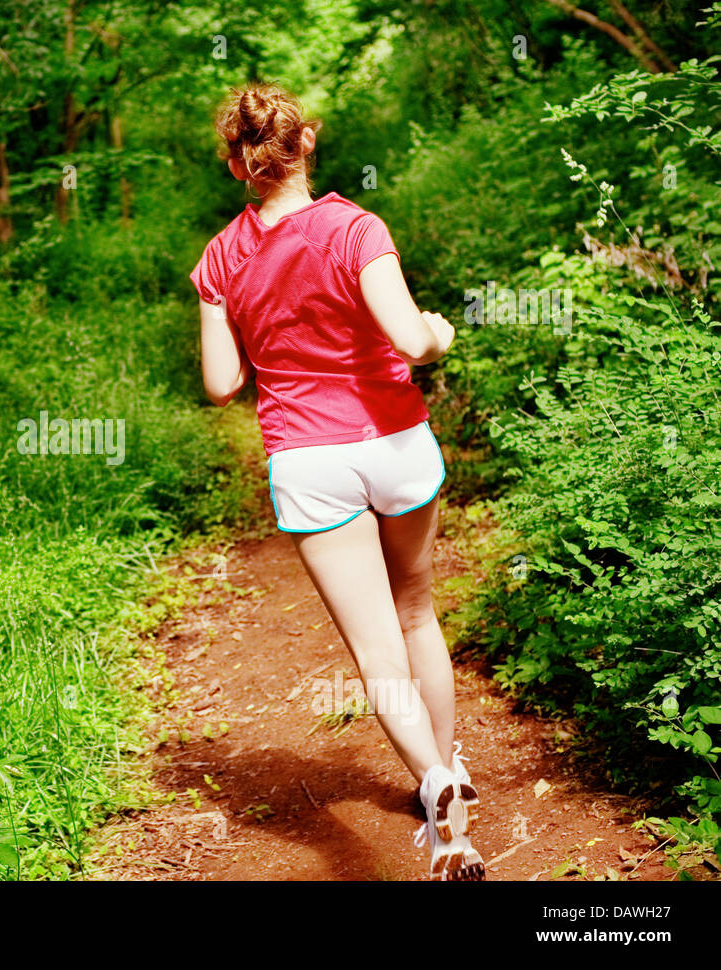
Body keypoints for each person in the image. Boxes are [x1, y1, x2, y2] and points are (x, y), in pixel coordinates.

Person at [190, 82, 485, 881]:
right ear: (306, 141)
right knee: (418, 613)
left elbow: (222, 385)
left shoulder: (219, 259)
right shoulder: (357, 227)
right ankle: (450, 770)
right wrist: (441, 332)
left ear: (235, 162)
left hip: (308, 458)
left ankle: (431, 783)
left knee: (373, 648)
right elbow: (412, 340)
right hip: (391, 438)